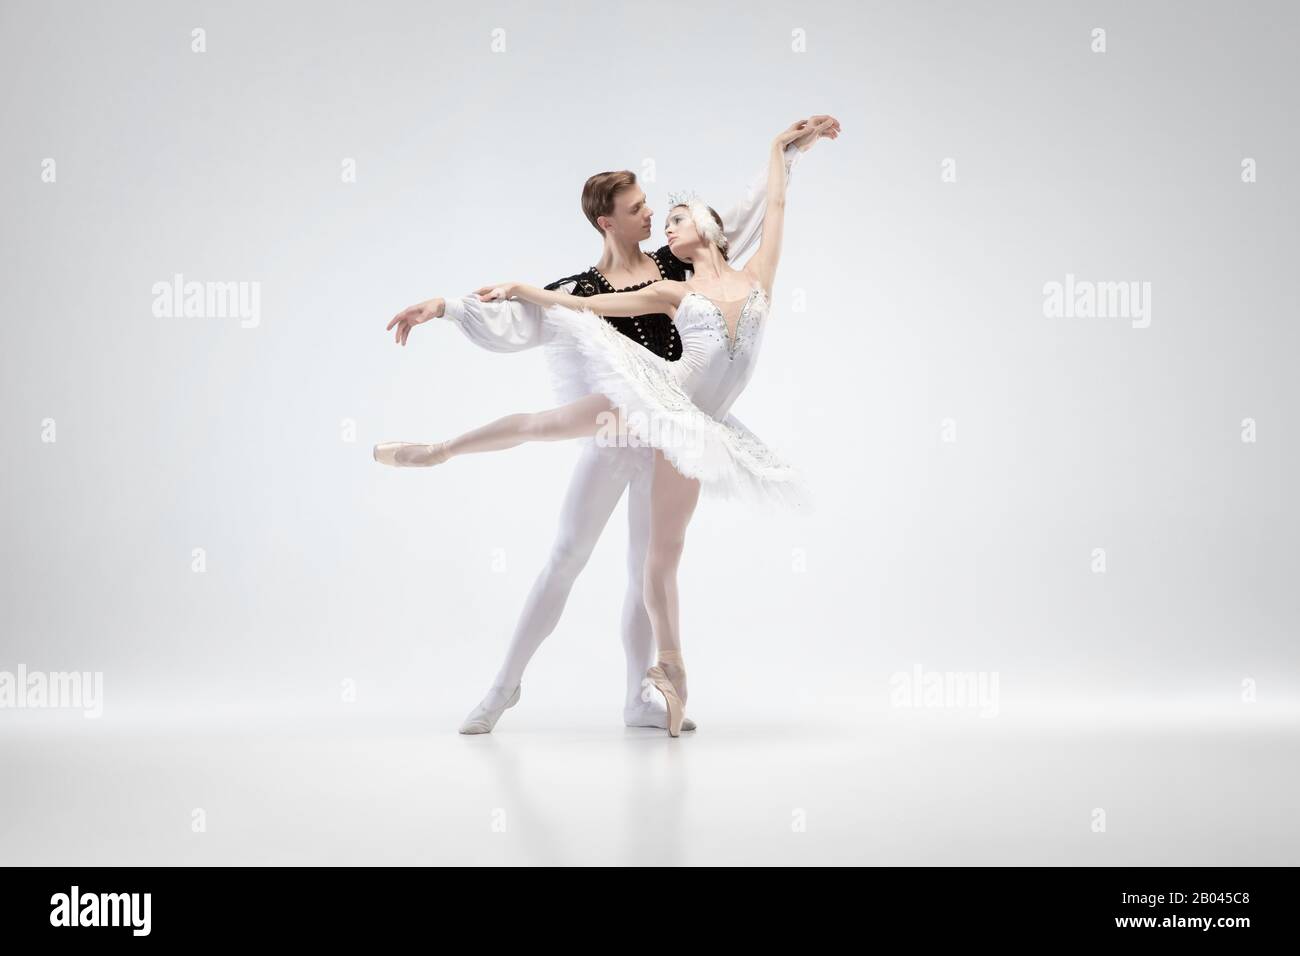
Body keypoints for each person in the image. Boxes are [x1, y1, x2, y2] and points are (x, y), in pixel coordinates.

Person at [377, 119, 835, 734]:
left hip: (678, 439)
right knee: (567, 555)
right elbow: (530, 316)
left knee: (648, 566)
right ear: (606, 222)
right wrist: (448, 307)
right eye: (640, 209)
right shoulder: (594, 286)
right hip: (624, 431)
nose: (653, 216)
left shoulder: (676, 270)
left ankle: (638, 698)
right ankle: (502, 688)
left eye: (658, 209)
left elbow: (742, 222)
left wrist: (789, 152)